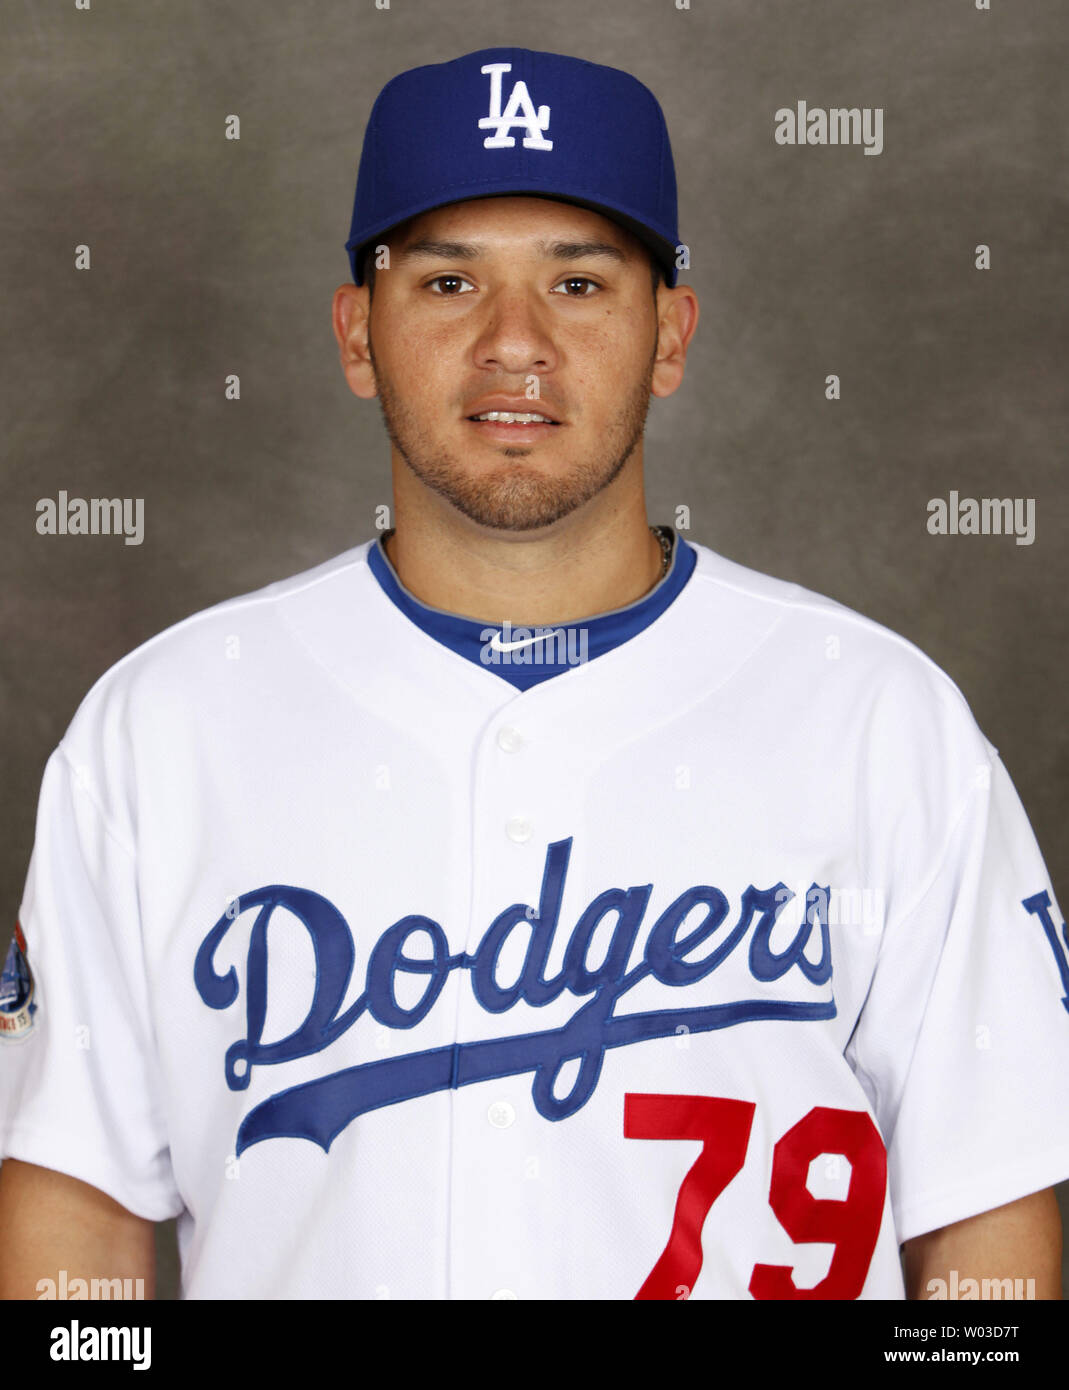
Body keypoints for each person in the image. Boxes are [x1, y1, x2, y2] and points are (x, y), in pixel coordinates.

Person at [1, 46, 1066, 1302]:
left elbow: (986, 1242)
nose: (516, 344)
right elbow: (76, 1237)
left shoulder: (883, 722)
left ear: (669, 333)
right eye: (448, 281)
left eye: (577, 281)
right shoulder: (160, 731)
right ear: (358, 333)